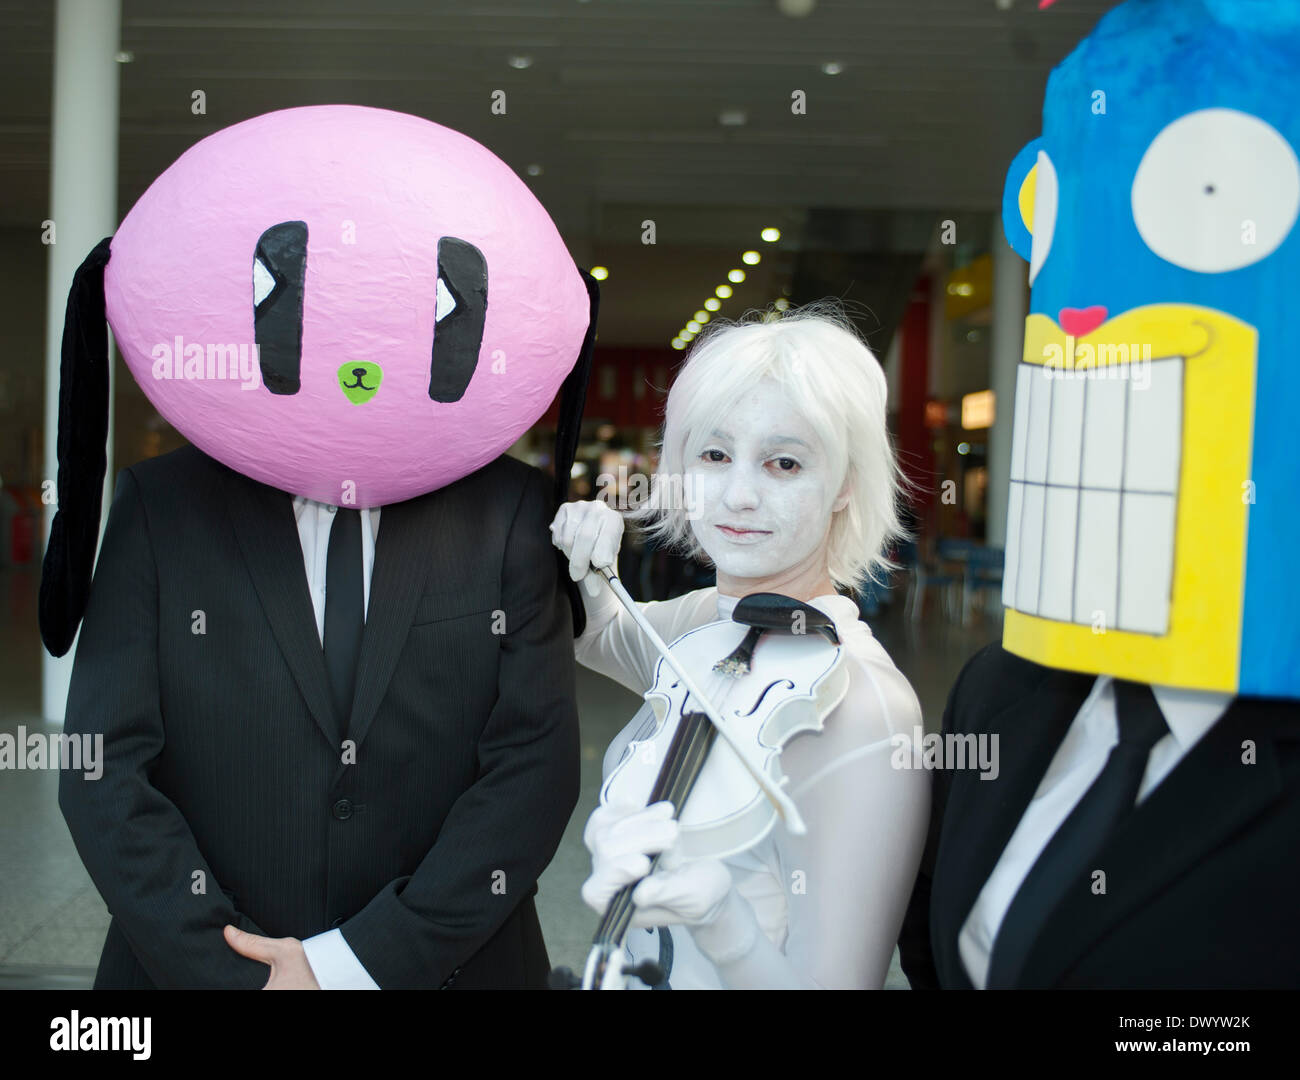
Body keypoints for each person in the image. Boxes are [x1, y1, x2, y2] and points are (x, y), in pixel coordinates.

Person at [47, 106, 596, 989]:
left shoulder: (511, 512)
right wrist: (237, 970)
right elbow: (102, 764)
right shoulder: (163, 506)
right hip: (196, 972)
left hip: (450, 966)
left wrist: (357, 965)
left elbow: (533, 771)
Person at [551, 304, 929, 989]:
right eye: (715, 455)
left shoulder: (861, 704)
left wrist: (724, 925)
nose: (739, 494)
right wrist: (583, 539)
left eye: (784, 463)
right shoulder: (707, 619)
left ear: (845, 484)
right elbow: (600, 631)